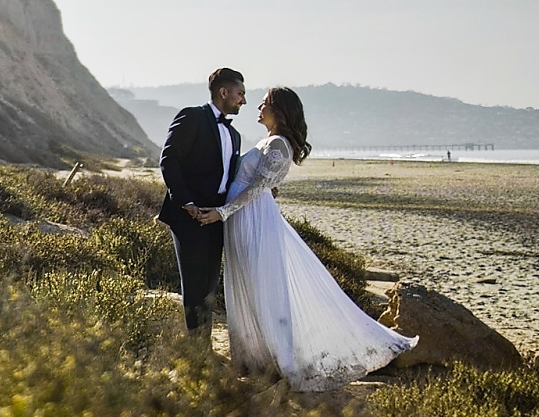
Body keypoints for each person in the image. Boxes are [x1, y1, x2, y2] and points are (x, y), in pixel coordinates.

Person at [190, 87, 417, 391]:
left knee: (263, 287)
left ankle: (279, 358)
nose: (258, 106)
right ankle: (254, 358)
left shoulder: (280, 145)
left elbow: (258, 188)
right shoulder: (268, 141)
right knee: (246, 284)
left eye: (265, 103)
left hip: (253, 221)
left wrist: (222, 212)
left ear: (280, 112)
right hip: (242, 220)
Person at [156, 67, 245, 335]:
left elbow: (231, 177)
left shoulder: (235, 135)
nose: (243, 100)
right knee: (194, 287)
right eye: (240, 93)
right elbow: (169, 160)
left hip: (216, 219)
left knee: (208, 289)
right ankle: (198, 357)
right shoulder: (192, 116)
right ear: (223, 92)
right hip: (189, 217)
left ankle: (203, 353)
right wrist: (186, 202)